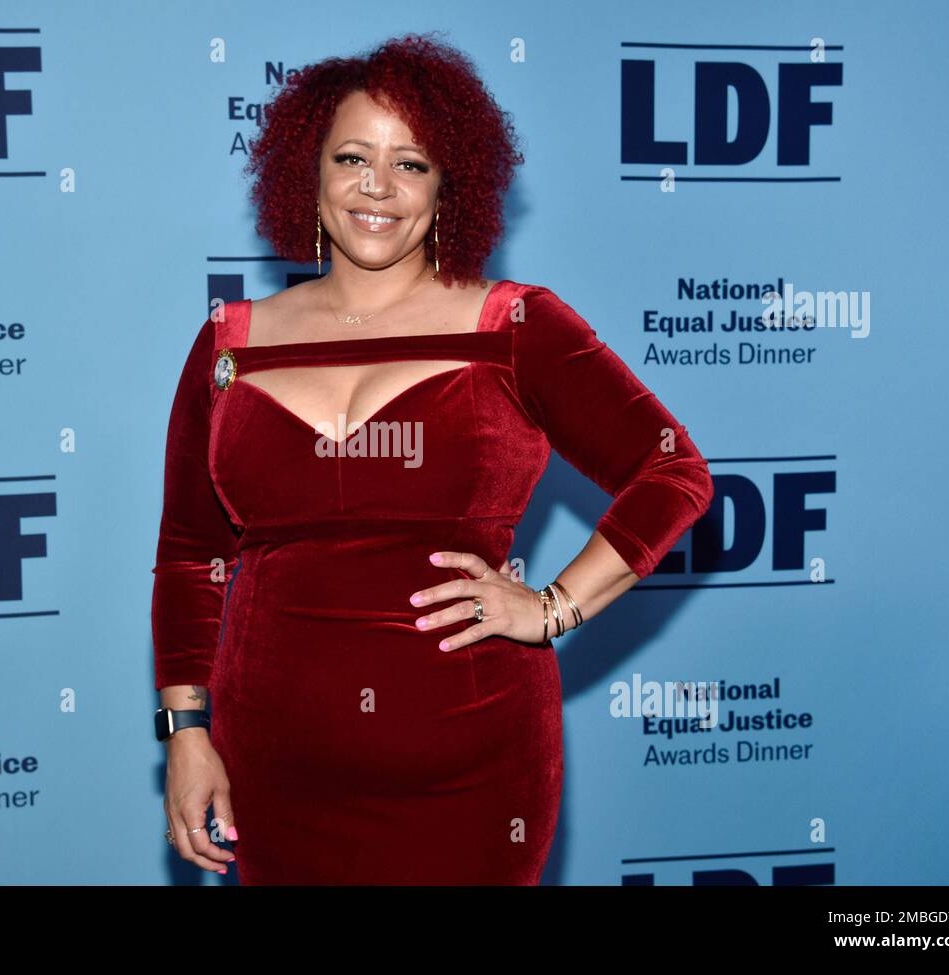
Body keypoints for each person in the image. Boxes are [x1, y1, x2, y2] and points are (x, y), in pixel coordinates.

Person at [150, 33, 714, 884]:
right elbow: (191, 554)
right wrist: (186, 733)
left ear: (452, 185)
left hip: (473, 770)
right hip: (275, 767)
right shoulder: (231, 343)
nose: (378, 187)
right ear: (309, 171)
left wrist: (554, 606)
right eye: (352, 157)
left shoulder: (514, 327)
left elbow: (673, 470)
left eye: (411, 163)